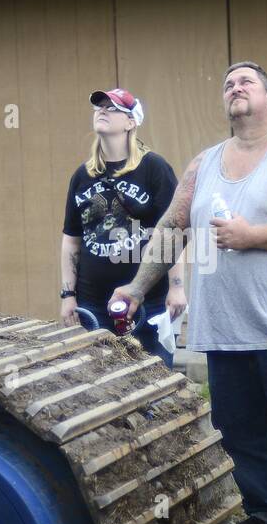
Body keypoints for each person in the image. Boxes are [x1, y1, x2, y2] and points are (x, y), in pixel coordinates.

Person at [108, 62, 267, 524]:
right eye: (229, 83)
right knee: (241, 432)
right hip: (227, 332)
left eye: (247, 82)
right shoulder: (203, 163)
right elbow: (171, 229)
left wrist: (251, 236)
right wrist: (136, 285)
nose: (236, 88)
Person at [60, 87, 185, 366]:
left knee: (154, 378)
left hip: (148, 299)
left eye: (112, 107)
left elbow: (174, 232)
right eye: (99, 107)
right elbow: (71, 239)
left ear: (131, 122)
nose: (102, 110)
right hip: (93, 302)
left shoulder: (154, 168)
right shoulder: (83, 175)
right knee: (101, 382)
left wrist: (176, 287)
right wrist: (68, 295)